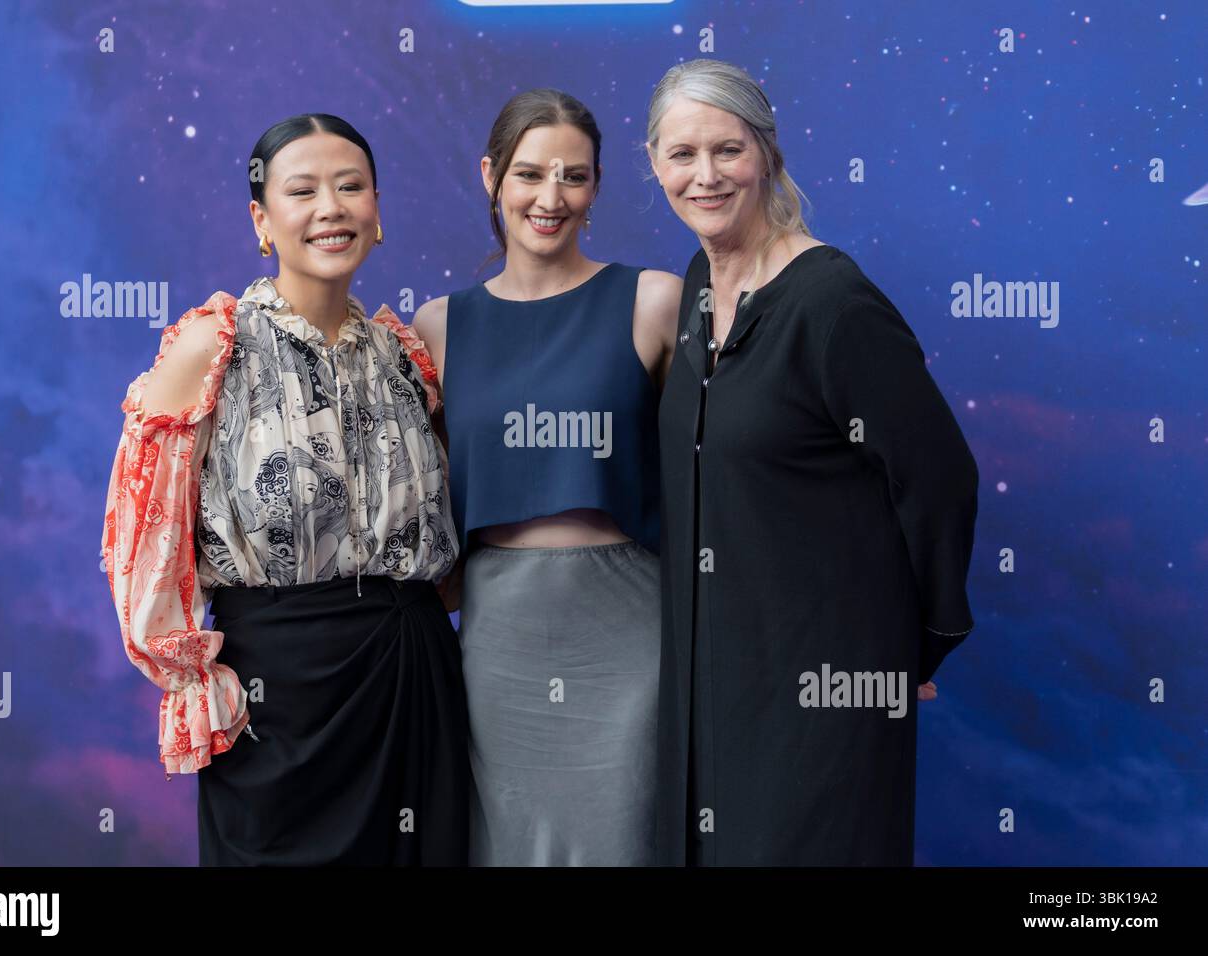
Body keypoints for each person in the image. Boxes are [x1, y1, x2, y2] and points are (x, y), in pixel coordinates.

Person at [101, 113, 468, 865]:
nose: (331, 207)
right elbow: (143, 541)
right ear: (262, 220)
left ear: (377, 208)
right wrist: (194, 678)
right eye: (302, 191)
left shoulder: (407, 357)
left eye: (351, 187)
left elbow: (448, 535)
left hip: (410, 676)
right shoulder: (215, 347)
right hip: (278, 694)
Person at [646, 59, 979, 865]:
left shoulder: (833, 303)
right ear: (653, 162)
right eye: (682, 154)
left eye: (727, 150)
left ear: (767, 154)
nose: (706, 175)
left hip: (820, 694)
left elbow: (938, 477)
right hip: (713, 686)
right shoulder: (697, 286)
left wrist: (914, 645)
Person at [412, 89, 681, 865]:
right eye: (530, 174)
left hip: (627, 630)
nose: (550, 197)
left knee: (622, 838)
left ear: (596, 187)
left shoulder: (654, 300)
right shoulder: (439, 324)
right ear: (491, 176)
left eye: (575, 176)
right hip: (499, 634)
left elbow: (728, 465)